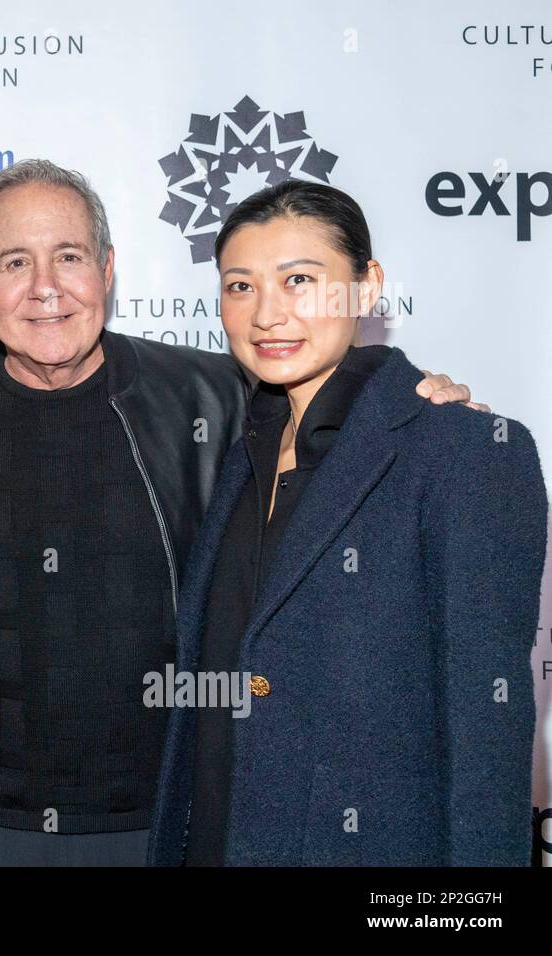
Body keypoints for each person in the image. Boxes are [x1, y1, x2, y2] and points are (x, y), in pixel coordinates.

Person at [0, 159, 483, 866]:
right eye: (16, 261)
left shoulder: (213, 396)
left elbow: (333, 404)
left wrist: (414, 399)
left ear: (108, 269)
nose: (45, 287)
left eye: (69, 256)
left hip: (169, 814)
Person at [147, 180, 546, 866]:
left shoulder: (463, 453)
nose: (267, 313)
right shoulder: (244, 451)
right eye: (240, 286)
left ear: (367, 288)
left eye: (299, 279)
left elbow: (486, 740)